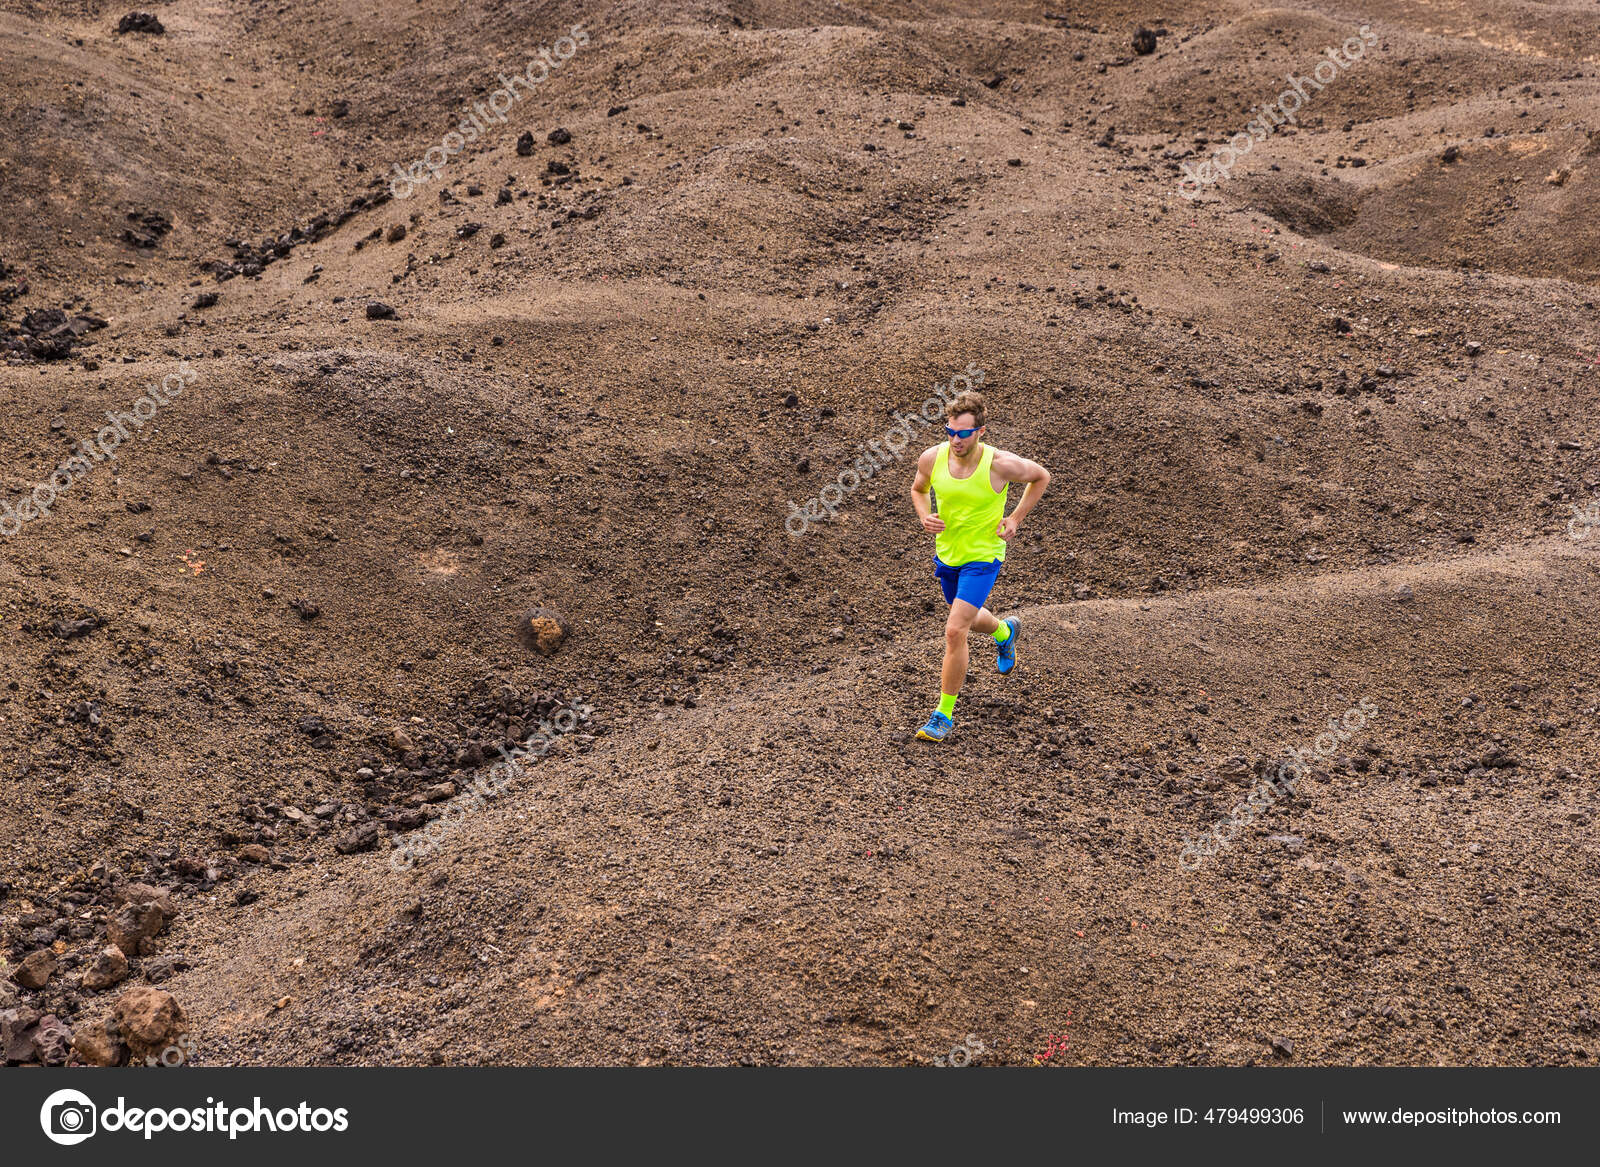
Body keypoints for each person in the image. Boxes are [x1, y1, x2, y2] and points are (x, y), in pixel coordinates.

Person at [909, 390, 1050, 742]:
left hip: (984, 557)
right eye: (950, 431)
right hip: (948, 555)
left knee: (955, 630)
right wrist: (925, 516)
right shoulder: (932, 458)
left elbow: (1041, 477)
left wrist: (1015, 518)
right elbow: (918, 489)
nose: (955, 439)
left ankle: (942, 715)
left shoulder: (999, 464)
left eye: (963, 433)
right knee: (969, 619)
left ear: (980, 431)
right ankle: (1004, 632)